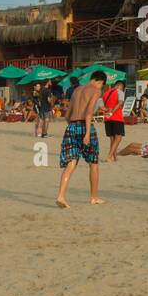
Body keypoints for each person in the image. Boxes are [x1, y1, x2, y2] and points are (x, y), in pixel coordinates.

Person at [56, 70, 107, 208]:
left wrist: (72, 127)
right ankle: (94, 197)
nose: (101, 88)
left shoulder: (77, 90)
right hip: (85, 127)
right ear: (99, 81)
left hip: (71, 127)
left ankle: (61, 196)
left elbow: (67, 114)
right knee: (94, 163)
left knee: (71, 163)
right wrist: (87, 133)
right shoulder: (95, 91)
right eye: (102, 85)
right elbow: (89, 112)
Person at [102, 80, 127, 161]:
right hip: (116, 117)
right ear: (120, 86)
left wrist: (107, 112)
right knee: (118, 137)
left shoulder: (106, 93)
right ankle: (109, 156)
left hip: (107, 118)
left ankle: (114, 157)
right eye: (123, 88)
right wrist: (112, 112)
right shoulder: (120, 92)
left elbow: (102, 105)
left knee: (112, 139)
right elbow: (120, 103)